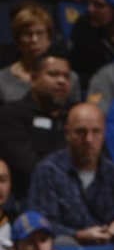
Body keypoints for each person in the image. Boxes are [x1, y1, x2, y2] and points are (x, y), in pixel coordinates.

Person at [25, 104, 114, 246]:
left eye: (96, 132)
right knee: (63, 242)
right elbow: (41, 224)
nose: (88, 139)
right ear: (67, 133)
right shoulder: (48, 171)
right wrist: (78, 235)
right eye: (81, 132)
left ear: (104, 134)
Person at [0, 53, 73, 199]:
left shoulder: (76, 115)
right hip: (30, 199)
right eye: (53, 74)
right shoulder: (11, 115)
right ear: (33, 79)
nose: (61, 81)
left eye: (66, 76)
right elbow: (27, 170)